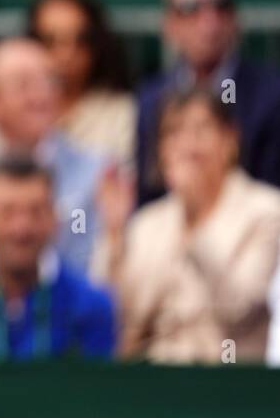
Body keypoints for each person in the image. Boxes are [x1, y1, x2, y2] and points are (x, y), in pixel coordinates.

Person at [95, 87, 280, 364]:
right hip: (153, 377)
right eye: (174, 132)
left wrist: (195, 223)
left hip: (231, 376)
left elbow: (240, 308)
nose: (187, 144)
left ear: (230, 140)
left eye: (201, 129)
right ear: (160, 150)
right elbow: (115, 318)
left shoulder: (266, 211)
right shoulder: (148, 222)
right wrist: (114, 235)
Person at [0, 37, 106, 273]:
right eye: (24, 84)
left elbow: (101, 279)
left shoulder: (99, 176)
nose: (41, 94)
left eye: (50, 80)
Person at [0, 157, 115, 361]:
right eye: (7, 212)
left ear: (54, 218)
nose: (21, 229)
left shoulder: (90, 304)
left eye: (35, 212)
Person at [135, 0, 280, 204]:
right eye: (191, 9)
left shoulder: (272, 94)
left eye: (221, 6)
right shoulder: (150, 98)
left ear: (235, 18)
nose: (209, 22)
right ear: (169, 25)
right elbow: (148, 189)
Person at [28, 0, 135, 164]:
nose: (66, 54)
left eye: (80, 40)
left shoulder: (122, 114)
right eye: (50, 41)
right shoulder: (10, 107)